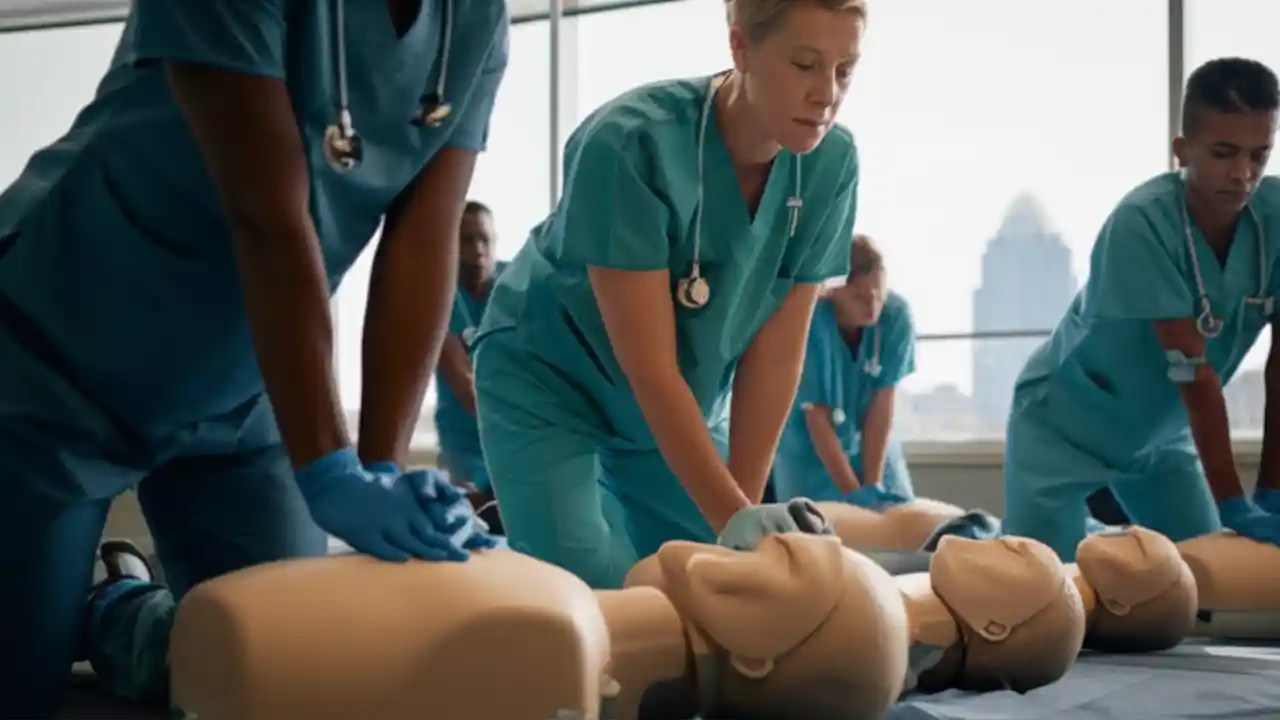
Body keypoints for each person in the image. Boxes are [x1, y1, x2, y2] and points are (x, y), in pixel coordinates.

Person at [0, 0, 509, 714]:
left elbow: (423, 245)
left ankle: (117, 614)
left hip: (242, 383)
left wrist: (382, 467)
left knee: (290, 673)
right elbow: (267, 214)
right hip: (59, 352)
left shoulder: (476, 20)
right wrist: (330, 470)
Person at [471, 0, 867, 590]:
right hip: (549, 376)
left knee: (717, 581)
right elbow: (648, 366)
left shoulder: (832, 164)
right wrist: (732, 516)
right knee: (596, 592)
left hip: (679, 397)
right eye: (805, 65)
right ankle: (517, 529)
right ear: (740, 48)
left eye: (845, 69)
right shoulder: (630, 141)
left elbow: (777, 355)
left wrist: (744, 521)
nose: (826, 94)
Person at [1002, 57, 1280, 562]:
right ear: (1181, 151)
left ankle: (1105, 543)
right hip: (1064, 424)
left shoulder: (1275, 218)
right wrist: (1234, 502)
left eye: (1258, 155)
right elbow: (1194, 373)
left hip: (1162, 440)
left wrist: (1272, 492)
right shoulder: (1141, 223)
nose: (1242, 174)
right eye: (1222, 153)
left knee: (1208, 585)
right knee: (1037, 597)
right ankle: (970, 531)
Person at [773, 234, 918, 509]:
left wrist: (872, 485)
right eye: (860, 297)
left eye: (878, 295)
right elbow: (817, 418)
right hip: (810, 454)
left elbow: (882, 404)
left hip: (872, 446)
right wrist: (853, 494)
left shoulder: (896, 316)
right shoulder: (809, 321)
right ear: (833, 290)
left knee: (894, 520)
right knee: (813, 534)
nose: (872, 306)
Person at [435, 200, 506, 519]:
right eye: (466, 240)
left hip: (515, 428)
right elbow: (463, 384)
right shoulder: (437, 293)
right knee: (474, 512)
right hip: (464, 435)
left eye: (484, 240)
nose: (478, 249)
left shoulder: (515, 287)